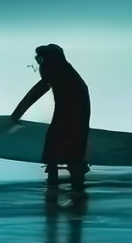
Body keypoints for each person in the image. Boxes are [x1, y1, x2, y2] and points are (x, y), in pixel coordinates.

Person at [10, 44, 91, 189]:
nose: (38, 63)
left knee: (56, 147)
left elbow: (36, 92)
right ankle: (73, 187)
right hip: (77, 109)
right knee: (67, 148)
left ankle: (57, 186)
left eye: (40, 59)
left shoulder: (52, 68)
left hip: (73, 110)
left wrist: (15, 115)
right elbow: (40, 89)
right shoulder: (65, 69)